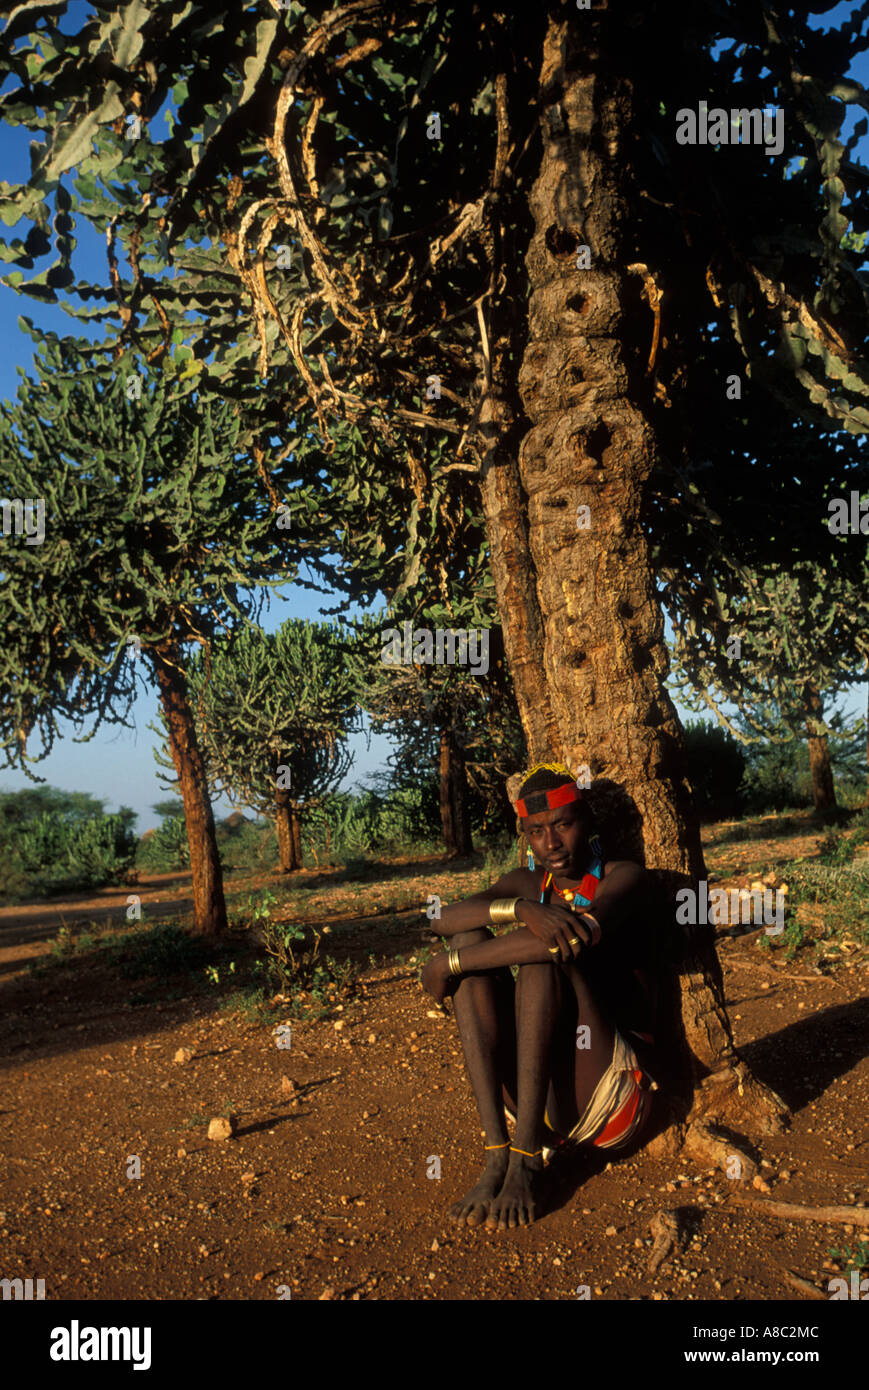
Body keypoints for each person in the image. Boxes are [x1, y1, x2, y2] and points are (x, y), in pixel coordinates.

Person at [419, 762, 659, 1231]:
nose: (550, 844)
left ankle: (527, 1162)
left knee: (539, 957)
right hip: (542, 1105)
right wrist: (522, 908)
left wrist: (448, 965)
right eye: (536, 832)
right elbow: (441, 918)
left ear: (586, 820)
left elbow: (566, 940)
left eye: (563, 826)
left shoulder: (623, 878)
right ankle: (498, 1154)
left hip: (611, 1094)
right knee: (468, 937)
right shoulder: (529, 885)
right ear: (524, 835)